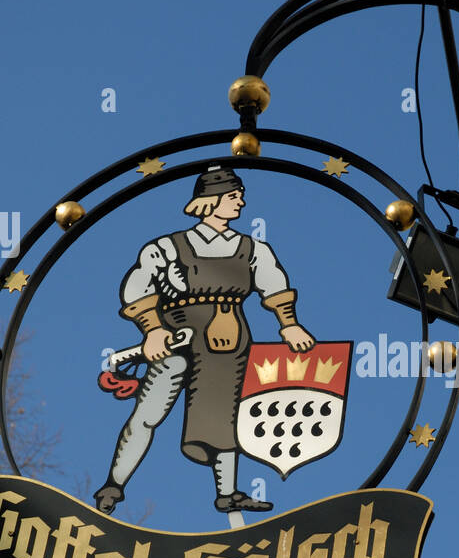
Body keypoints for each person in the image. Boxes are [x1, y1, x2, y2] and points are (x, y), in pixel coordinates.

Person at [93, 167, 315, 515]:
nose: (241, 201)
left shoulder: (252, 248)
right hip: (176, 341)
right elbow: (138, 287)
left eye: (240, 195)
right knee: (148, 414)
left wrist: (289, 325)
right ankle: (113, 486)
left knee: (226, 416)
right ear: (210, 201)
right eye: (233, 196)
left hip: (229, 341)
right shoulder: (167, 247)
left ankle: (227, 494)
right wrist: (152, 329)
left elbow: (274, 286)